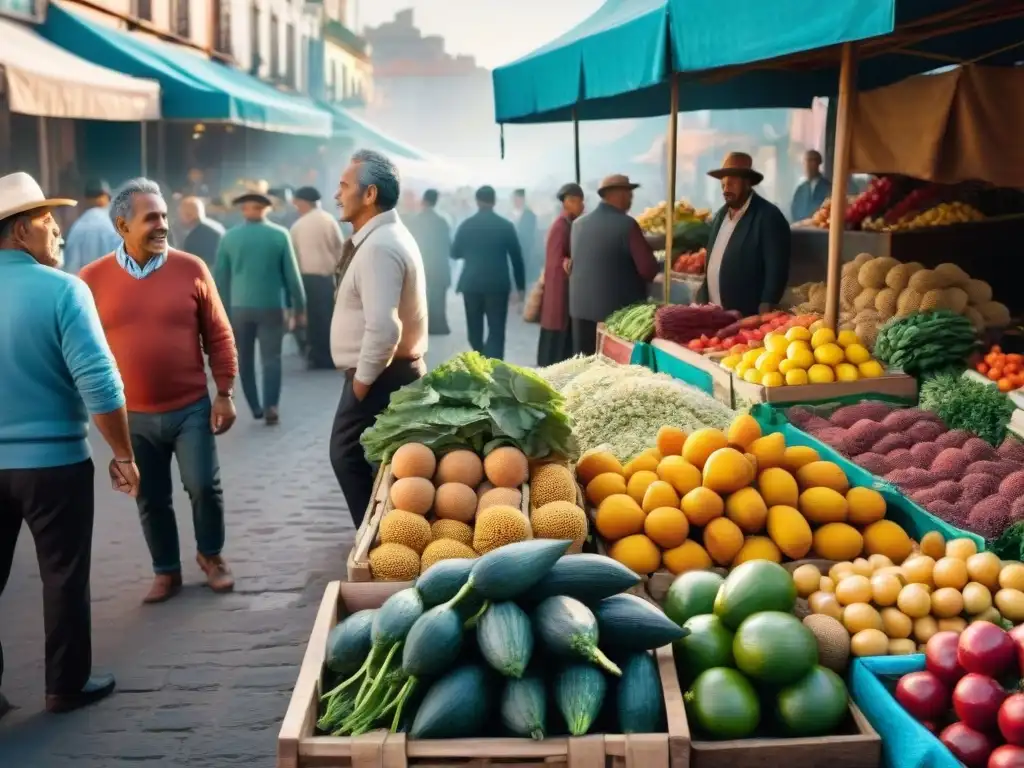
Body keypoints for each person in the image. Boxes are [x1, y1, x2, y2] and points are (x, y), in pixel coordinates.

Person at [0, 171, 138, 716]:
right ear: (17, 233)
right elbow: (100, 383)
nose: (58, 230)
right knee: (62, 574)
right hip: (55, 463)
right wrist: (123, 454)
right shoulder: (63, 290)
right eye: (46, 220)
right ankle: (65, 684)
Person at [79, 178, 239, 604]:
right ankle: (166, 570)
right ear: (122, 225)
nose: (162, 225)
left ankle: (212, 556)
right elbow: (79, 348)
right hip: (131, 415)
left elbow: (219, 334)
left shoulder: (191, 268)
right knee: (150, 497)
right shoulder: (91, 279)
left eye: (165, 216)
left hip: (191, 407)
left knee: (204, 485)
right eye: (151, 218)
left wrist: (224, 390)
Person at [330, 149, 427, 526]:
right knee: (385, 460)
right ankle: (385, 535)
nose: (337, 194)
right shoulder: (382, 238)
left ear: (369, 194)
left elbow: (385, 328)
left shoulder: (381, 246)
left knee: (346, 455)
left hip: (382, 374)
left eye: (344, 186)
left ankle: (377, 537)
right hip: (389, 372)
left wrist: (360, 384)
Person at [214, 192, 306, 425]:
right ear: (267, 209)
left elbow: (220, 279)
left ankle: (255, 406)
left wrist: (219, 311)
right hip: (272, 306)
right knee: (271, 359)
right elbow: (292, 277)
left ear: (244, 210)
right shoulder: (279, 235)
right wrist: (299, 306)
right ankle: (271, 406)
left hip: (239, 308)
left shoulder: (229, 238)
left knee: (243, 359)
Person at [569, 174, 659, 355]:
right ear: (618, 194)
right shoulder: (627, 224)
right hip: (615, 316)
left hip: (580, 313)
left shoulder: (578, 224)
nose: (631, 199)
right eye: (629, 194)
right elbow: (648, 270)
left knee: (584, 368)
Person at [698, 152, 790, 316]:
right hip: (715, 313)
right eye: (723, 184)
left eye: (732, 184)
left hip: (748, 317)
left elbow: (777, 268)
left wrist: (766, 307)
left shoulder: (768, 216)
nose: (726, 189)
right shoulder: (720, 216)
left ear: (747, 183)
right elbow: (710, 261)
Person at [452, 185, 526, 360]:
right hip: (497, 286)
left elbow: (454, 253)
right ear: (494, 202)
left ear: (477, 201)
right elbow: (517, 258)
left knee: (474, 330)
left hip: (471, 285)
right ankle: (493, 365)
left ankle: (479, 357)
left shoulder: (466, 225)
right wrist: (521, 288)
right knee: (497, 329)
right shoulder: (506, 226)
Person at [290, 186, 345, 370]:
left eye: (297, 203)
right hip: (327, 278)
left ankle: (316, 355)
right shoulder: (329, 220)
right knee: (328, 317)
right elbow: (339, 249)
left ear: (304, 203)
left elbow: (293, 256)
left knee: (312, 320)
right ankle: (330, 355)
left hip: (306, 278)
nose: (296, 207)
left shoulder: (298, 226)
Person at [537, 183, 585, 366]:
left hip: (564, 290)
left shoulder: (570, 223)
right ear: (569, 201)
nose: (582, 207)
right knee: (557, 335)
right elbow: (556, 259)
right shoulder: (561, 225)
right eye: (579, 202)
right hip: (559, 290)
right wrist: (567, 263)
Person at [407, 189, 452, 336]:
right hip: (439, 267)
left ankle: (421, 326)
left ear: (423, 201)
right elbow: (448, 246)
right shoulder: (442, 222)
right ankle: (438, 326)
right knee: (438, 298)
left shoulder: (415, 221)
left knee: (420, 297)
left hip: (422, 264)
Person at [62, 179, 121, 274]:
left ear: (86, 199)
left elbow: (70, 267)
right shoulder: (114, 226)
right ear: (107, 197)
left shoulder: (76, 228)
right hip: (110, 283)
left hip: (83, 285)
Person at [179, 196, 225, 267]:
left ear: (189, 215)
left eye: (181, 213)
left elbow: (190, 266)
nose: (180, 217)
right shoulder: (218, 226)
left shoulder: (193, 239)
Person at [790, 149, 830, 222]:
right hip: (801, 229)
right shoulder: (800, 188)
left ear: (819, 163)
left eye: (811, 160)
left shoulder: (828, 187)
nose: (808, 164)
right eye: (806, 161)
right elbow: (794, 210)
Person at [511, 188, 539, 285]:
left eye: (517, 199)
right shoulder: (509, 214)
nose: (515, 201)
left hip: (525, 249)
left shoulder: (530, 215)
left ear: (522, 199)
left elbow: (529, 234)